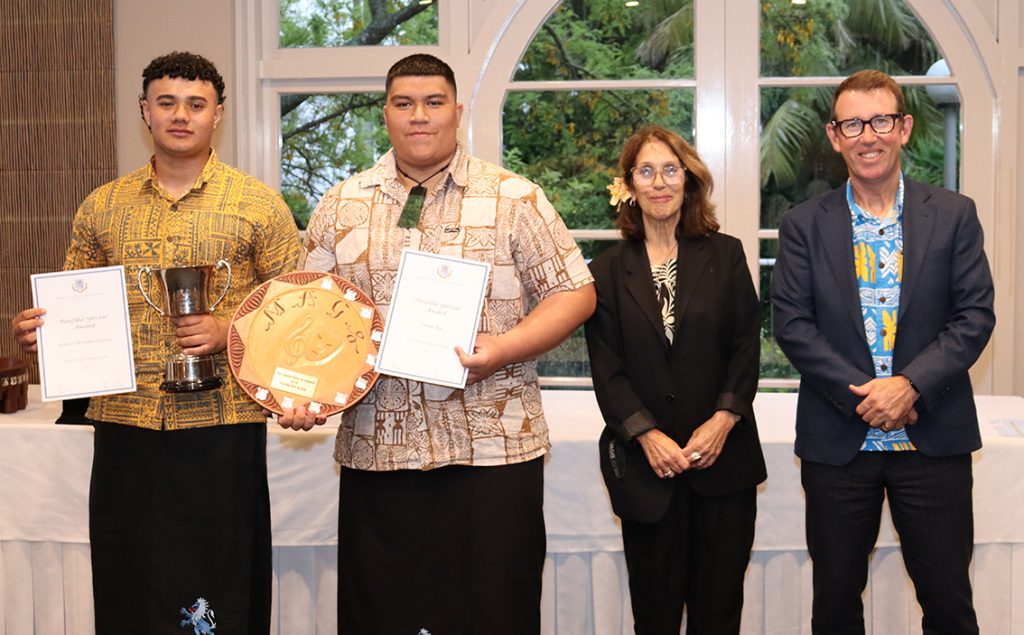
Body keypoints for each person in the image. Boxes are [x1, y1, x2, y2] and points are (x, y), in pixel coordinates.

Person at [280, 53, 595, 633]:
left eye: (432, 102)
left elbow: (574, 293)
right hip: (380, 452)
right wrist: (302, 395)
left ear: (457, 110)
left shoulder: (515, 199)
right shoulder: (340, 205)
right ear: (386, 114)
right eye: (404, 104)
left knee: (496, 614)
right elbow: (309, 319)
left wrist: (503, 348)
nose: (418, 116)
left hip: (493, 452)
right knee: (384, 616)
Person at [11, 52, 301, 633]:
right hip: (125, 423)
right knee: (129, 579)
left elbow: (295, 314)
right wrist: (41, 338)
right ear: (145, 111)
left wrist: (229, 331)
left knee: (222, 581)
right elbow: (73, 310)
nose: (180, 115)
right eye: (166, 102)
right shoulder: (102, 206)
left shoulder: (259, 205)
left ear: (217, 113)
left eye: (196, 104)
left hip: (221, 424)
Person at [772, 69, 995, 634]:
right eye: (853, 123)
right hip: (840, 444)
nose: (868, 135)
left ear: (904, 127)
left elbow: (974, 316)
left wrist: (910, 385)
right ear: (834, 135)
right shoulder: (802, 226)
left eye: (881, 120)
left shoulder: (953, 214)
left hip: (933, 440)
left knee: (948, 604)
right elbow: (793, 326)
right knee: (836, 607)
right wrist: (868, 399)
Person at [584, 125, 766, 634]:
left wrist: (723, 420)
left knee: (718, 613)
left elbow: (746, 345)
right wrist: (645, 435)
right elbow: (607, 368)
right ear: (628, 186)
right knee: (655, 615)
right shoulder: (604, 271)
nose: (659, 182)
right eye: (646, 171)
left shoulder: (725, 255)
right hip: (648, 472)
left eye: (670, 170)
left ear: (688, 181)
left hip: (722, 464)